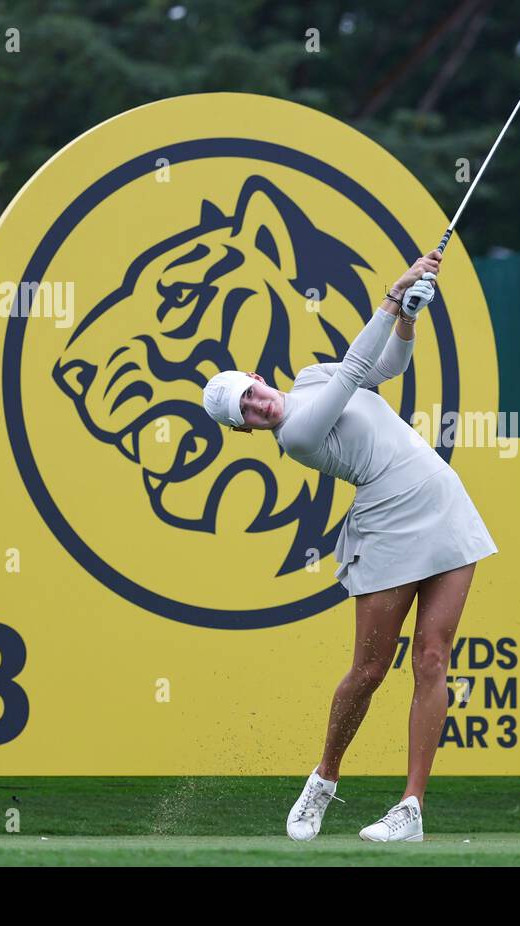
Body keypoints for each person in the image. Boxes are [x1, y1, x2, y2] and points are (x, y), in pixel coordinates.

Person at [201, 249, 497, 843]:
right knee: (369, 669)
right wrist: (394, 292)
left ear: (258, 379)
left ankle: (411, 808)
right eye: (247, 416)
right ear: (245, 431)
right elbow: (352, 369)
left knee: (432, 659)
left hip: (443, 501)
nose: (259, 408)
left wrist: (408, 318)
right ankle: (325, 778)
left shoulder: (308, 377)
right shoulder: (298, 437)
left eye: (251, 395)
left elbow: (382, 366)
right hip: (388, 525)